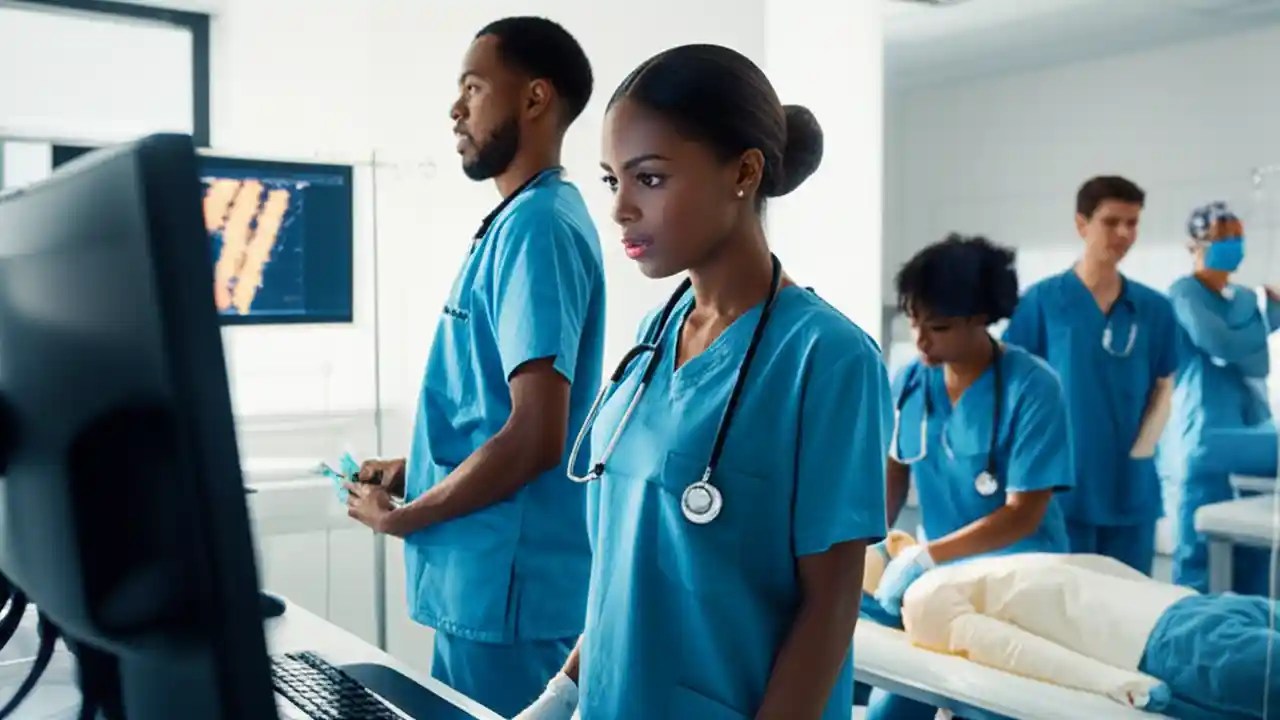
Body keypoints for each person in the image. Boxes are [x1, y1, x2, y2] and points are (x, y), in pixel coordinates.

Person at [515, 44, 891, 720]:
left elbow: (830, 609)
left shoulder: (827, 359)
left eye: (650, 179)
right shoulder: (650, 345)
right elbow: (625, 575)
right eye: (612, 181)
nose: (622, 210)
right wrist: (562, 694)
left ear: (744, 172)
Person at [342, 17, 604, 717]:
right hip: (483, 587)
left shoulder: (539, 227)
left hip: (507, 592)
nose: (455, 110)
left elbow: (536, 435)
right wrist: (412, 468)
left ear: (535, 98)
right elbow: (487, 409)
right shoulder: (515, 222)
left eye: (473, 87)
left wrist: (404, 519)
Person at [866, 234, 1075, 720]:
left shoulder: (1033, 387)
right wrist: (871, 539)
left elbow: (1024, 515)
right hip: (937, 580)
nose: (920, 342)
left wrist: (929, 555)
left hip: (1018, 582)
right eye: (914, 323)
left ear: (981, 319)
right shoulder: (911, 380)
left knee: (986, 708)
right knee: (889, 713)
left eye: (937, 328)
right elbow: (897, 467)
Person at [860, 530, 1280, 720]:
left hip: (1170, 642)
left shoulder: (932, 591)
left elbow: (1010, 648)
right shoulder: (953, 582)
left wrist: (1112, 682)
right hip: (1189, 613)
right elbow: (1099, 568)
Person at [1003, 176, 1178, 575]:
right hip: (1062, 485)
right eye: (1111, 221)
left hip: (1128, 487)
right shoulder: (1042, 303)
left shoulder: (1155, 309)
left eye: (1132, 223)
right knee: (1063, 604)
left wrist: (1139, 456)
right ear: (1082, 224)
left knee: (1133, 605)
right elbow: (1017, 390)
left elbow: (1163, 389)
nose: (1123, 233)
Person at [1160, 201, 1280, 595]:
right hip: (1205, 434)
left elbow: (1258, 362)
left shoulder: (1243, 298)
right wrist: (1254, 321)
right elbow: (1223, 345)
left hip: (1252, 430)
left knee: (1257, 553)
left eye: (1237, 237)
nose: (1233, 244)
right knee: (1201, 556)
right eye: (1222, 237)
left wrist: (1258, 316)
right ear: (1195, 244)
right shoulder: (1184, 293)